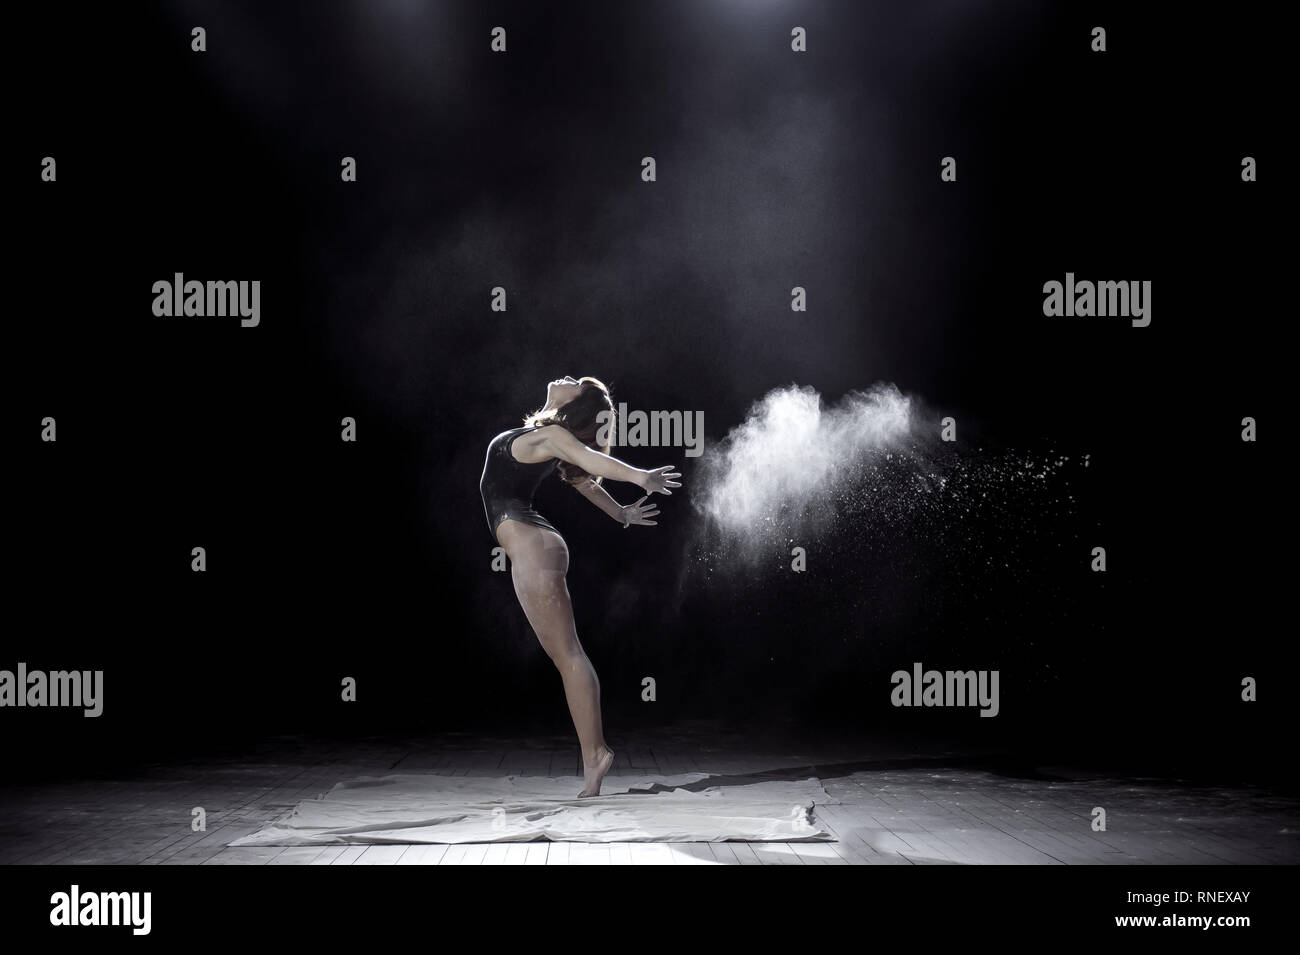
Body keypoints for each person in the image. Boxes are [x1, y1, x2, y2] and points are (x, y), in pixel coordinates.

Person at [480, 375, 681, 797]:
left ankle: (596, 754)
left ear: (577, 408)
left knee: (568, 656)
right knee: (567, 655)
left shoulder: (552, 436)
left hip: (533, 545)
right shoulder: (544, 436)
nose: (565, 377)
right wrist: (622, 515)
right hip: (533, 544)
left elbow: (594, 464)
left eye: (576, 383)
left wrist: (642, 478)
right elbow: (583, 479)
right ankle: (594, 753)